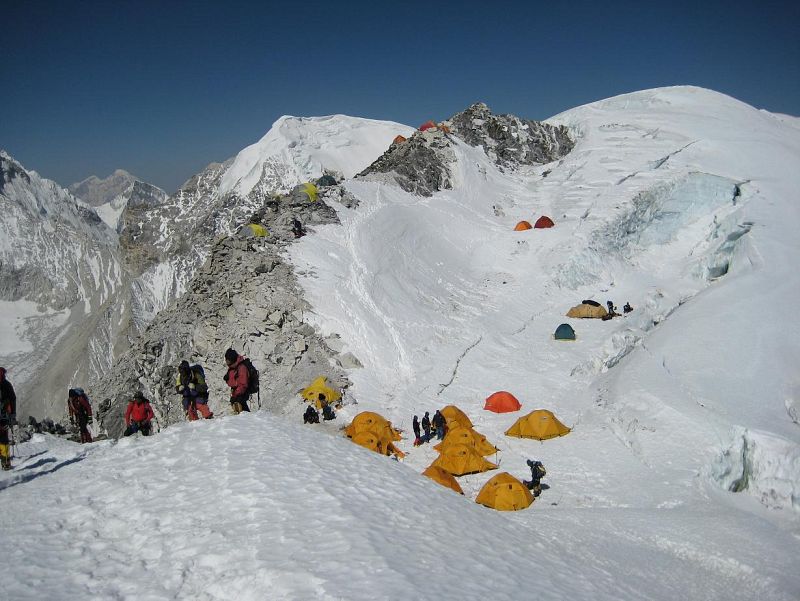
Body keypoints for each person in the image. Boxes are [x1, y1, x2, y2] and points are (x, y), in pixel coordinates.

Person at [223, 348, 251, 414]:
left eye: (227, 359)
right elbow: (233, 382)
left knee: (243, 409)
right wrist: (227, 379)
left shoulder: (241, 368)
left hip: (242, 393)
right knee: (238, 410)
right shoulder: (232, 367)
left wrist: (236, 395)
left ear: (231, 359)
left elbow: (243, 384)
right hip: (236, 392)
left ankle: (248, 420)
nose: (226, 361)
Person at [0, 367, 17, 470]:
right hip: (4, 416)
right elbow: (13, 399)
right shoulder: (7, 385)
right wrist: (13, 414)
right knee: (4, 439)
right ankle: (6, 462)